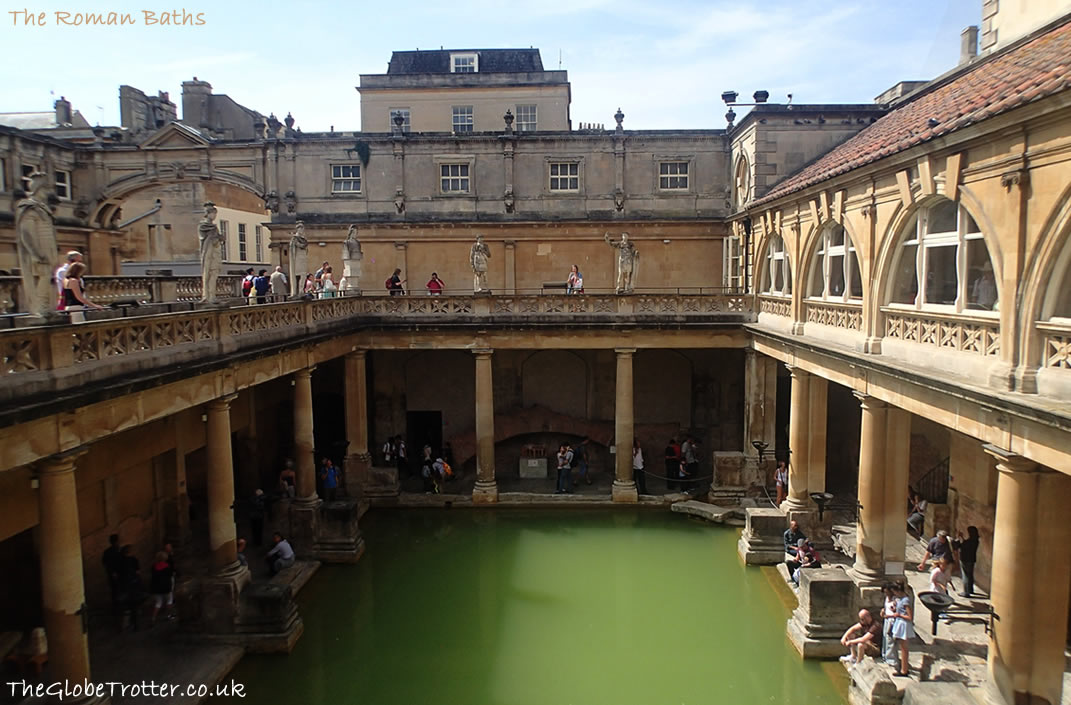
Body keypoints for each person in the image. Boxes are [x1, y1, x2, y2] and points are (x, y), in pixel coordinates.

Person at [890, 579, 914, 677]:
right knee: (902, 647)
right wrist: (895, 610)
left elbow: (909, 616)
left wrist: (899, 615)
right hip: (900, 623)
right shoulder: (900, 599)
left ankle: (904, 670)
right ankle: (903, 668)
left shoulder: (905, 600)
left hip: (903, 625)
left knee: (904, 648)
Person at [118, 544, 145, 631]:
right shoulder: (134, 560)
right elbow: (138, 572)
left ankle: (125, 625)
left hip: (124, 585)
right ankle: (135, 624)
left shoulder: (120, 561)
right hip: (134, 585)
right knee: (135, 606)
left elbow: (118, 574)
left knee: (127, 607)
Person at [952, 526, 980, 597]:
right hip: (972, 559)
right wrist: (962, 537)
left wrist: (958, 537)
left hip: (965, 559)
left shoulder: (969, 541)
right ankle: (970, 589)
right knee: (970, 575)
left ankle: (966, 592)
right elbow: (965, 544)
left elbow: (960, 546)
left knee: (965, 575)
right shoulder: (976, 540)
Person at [149, 550, 176, 625]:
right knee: (169, 601)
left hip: (156, 587)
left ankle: (153, 618)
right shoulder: (167, 566)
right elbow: (171, 575)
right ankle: (169, 615)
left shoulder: (153, 566)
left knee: (158, 603)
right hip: (166, 587)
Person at [102, 533, 123, 613]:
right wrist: (113, 572)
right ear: (116, 541)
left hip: (114, 574)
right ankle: (118, 608)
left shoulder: (108, 551)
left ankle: (117, 607)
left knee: (115, 591)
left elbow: (104, 562)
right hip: (116, 574)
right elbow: (107, 563)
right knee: (117, 591)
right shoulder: (116, 551)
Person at [881, 582, 900, 667]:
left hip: (892, 621)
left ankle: (892, 660)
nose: (886, 594)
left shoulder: (895, 600)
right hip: (886, 620)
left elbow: (897, 613)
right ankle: (885, 656)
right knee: (885, 637)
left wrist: (890, 615)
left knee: (891, 640)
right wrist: (883, 611)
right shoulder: (886, 598)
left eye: (887, 592)